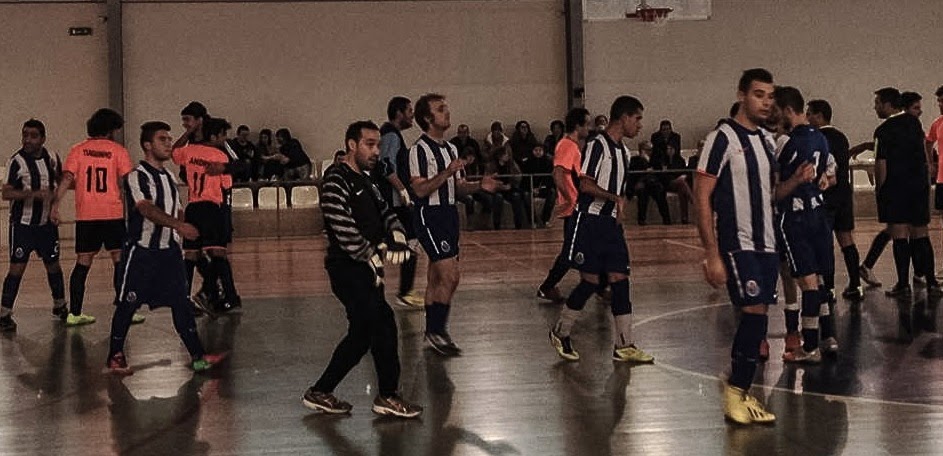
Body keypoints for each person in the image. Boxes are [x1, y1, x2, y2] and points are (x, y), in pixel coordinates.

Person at [302, 120, 422, 419]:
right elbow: (341, 225)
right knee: (380, 325)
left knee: (364, 333)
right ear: (351, 145)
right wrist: (372, 254)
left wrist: (396, 237)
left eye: (378, 144)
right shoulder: (336, 179)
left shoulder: (369, 180)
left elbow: (385, 213)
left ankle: (322, 391)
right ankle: (387, 395)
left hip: (369, 270)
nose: (376, 150)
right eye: (369, 144)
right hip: (348, 270)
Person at [105, 121, 226, 375]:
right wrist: (179, 226)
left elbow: (176, 208)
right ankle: (115, 355)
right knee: (128, 303)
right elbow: (146, 209)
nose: (169, 143)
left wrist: (181, 224)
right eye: (163, 139)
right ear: (148, 145)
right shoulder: (137, 176)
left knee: (181, 303)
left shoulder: (169, 176)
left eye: (170, 139)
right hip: (142, 252)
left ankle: (197, 356)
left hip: (169, 252)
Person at [694, 68, 778, 425]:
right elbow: (701, 195)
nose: (766, 102)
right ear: (742, 95)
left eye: (771, 96)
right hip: (737, 241)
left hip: (767, 243)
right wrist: (711, 252)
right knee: (754, 313)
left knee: (757, 320)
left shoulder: (768, 141)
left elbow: (771, 194)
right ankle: (735, 391)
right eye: (759, 94)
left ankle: (740, 389)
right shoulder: (722, 138)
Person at [549, 95, 654, 365]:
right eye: (637, 118)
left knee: (621, 279)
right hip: (589, 223)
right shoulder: (598, 145)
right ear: (624, 117)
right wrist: (614, 198)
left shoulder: (623, 152)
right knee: (591, 282)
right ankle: (561, 331)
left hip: (610, 226)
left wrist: (618, 205)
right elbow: (585, 185)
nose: (640, 125)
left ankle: (624, 344)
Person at [407, 93, 498, 355]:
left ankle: (431, 331)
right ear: (427, 118)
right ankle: (438, 330)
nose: (447, 113)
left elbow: (457, 188)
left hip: (449, 214)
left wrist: (478, 186)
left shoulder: (451, 149)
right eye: (441, 109)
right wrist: (446, 171)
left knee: (437, 276)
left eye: (446, 108)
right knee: (451, 275)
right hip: (429, 215)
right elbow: (421, 190)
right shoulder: (419, 150)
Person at [52, 108, 138, 327]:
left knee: (83, 262)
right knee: (119, 259)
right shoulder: (118, 151)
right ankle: (124, 308)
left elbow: (66, 178)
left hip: (86, 215)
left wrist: (55, 205)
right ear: (110, 130)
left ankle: (75, 312)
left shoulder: (78, 150)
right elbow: (130, 181)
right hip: (112, 213)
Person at [772, 86, 836, 363]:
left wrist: (795, 181)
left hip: (795, 217)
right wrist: (823, 180)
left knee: (807, 283)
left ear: (787, 110)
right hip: (819, 214)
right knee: (820, 280)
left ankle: (809, 347)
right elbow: (831, 175)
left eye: (776, 111)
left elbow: (774, 190)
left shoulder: (784, 142)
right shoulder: (820, 137)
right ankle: (829, 336)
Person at [0, 119, 67, 332]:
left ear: (43, 138)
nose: (27, 140)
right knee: (17, 268)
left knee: (53, 265)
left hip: (46, 225)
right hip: (23, 226)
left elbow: (62, 183)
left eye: (33, 136)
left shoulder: (53, 159)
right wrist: (32, 194)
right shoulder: (16, 161)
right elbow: (6, 193)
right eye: (25, 135)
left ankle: (60, 305)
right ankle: (4, 314)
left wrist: (55, 206)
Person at [872, 87, 938, 297]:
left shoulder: (883, 131)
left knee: (900, 235)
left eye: (877, 103)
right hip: (918, 187)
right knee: (921, 234)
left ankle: (903, 283)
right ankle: (931, 282)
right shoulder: (914, 124)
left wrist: (880, 190)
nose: (875, 107)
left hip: (896, 187)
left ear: (888, 105)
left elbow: (881, 164)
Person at [173, 118, 242, 313]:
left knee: (191, 254)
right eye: (222, 136)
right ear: (213, 136)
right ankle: (229, 296)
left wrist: (188, 133)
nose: (224, 139)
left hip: (193, 207)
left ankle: (184, 300)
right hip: (212, 207)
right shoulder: (219, 156)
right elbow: (227, 184)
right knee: (219, 253)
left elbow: (175, 153)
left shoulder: (189, 150)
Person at [807, 99, 863, 300]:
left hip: (826, 194)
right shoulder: (841, 137)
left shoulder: (817, 137)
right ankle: (856, 284)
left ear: (819, 115)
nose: (807, 117)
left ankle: (828, 287)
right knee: (846, 239)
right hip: (844, 194)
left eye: (810, 113)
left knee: (825, 242)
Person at [376, 96, 423, 308]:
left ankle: (406, 291)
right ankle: (404, 292)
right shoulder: (390, 136)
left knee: (408, 244)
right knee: (409, 242)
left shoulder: (393, 136)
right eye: (409, 110)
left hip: (395, 201)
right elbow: (386, 166)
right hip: (394, 203)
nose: (412, 115)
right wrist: (403, 192)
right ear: (399, 113)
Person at [486, 147, 531, 229]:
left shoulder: (512, 164)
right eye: (505, 154)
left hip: (510, 188)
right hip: (497, 189)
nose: (507, 156)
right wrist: (498, 185)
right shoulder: (491, 165)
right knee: (498, 198)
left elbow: (518, 176)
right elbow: (487, 180)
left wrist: (511, 183)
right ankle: (496, 224)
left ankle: (518, 224)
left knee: (517, 196)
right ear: (500, 155)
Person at [628, 141, 670, 225]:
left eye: (651, 150)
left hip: (653, 183)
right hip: (640, 183)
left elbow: (658, 171)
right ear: (641, 150)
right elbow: (635, 174)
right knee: (643, 192)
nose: (650, 152)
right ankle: (641, 219)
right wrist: (644, 160)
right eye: (647, 150)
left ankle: (667, 219)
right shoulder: (634, 160)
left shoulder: (655, 159)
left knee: (660, 192)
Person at [520, 144, 556, 227]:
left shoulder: (548, 163)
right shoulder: (527, 163)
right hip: (530, 188)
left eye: (540, 150)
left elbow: (549, 180)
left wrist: (541, 188)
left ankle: (546, 219)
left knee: (552, 193)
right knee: (525, 195)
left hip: (544, 188)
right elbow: (525, 180)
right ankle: (533, 220)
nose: (538, 152)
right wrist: (532, 188)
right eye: (536, 150)